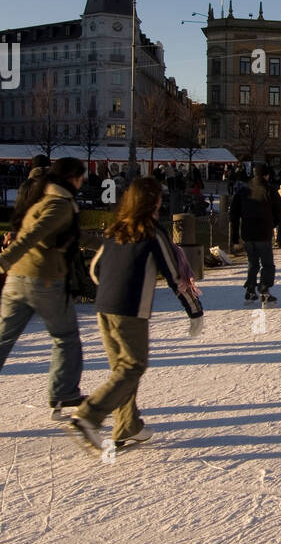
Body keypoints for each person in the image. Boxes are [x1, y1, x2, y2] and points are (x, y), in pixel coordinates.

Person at [0, 158, 89, 436]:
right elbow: (32, 236)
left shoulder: (40, 199)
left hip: (15, 281)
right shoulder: (60, 204)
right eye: (81, 177)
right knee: (66, 337)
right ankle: (63, 393)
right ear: (71, 178)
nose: (82, 182)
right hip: (44, 280)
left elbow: (41, 234)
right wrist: (1, 260)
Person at [65, 177, 204, 455]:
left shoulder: (115, 229)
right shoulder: (153, 231)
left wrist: (109, 290)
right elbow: (174, 273)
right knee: (133, 366)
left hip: (104, 307)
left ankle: (128, 425)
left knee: (122, 369)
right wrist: (194, 310)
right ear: (153, 202)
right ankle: (87, 416)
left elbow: (95, 269)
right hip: (130, 309)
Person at [230, 163, 281, 305]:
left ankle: (250, 291)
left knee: (252, 263)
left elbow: (234, 214)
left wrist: (234, 236)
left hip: (248, 233)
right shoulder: (269, 190)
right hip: (263, 232)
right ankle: (264, 290)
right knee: (267, 264)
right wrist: (272, 223)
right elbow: (280, 209)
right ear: (266, 175)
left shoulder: (242, 190)